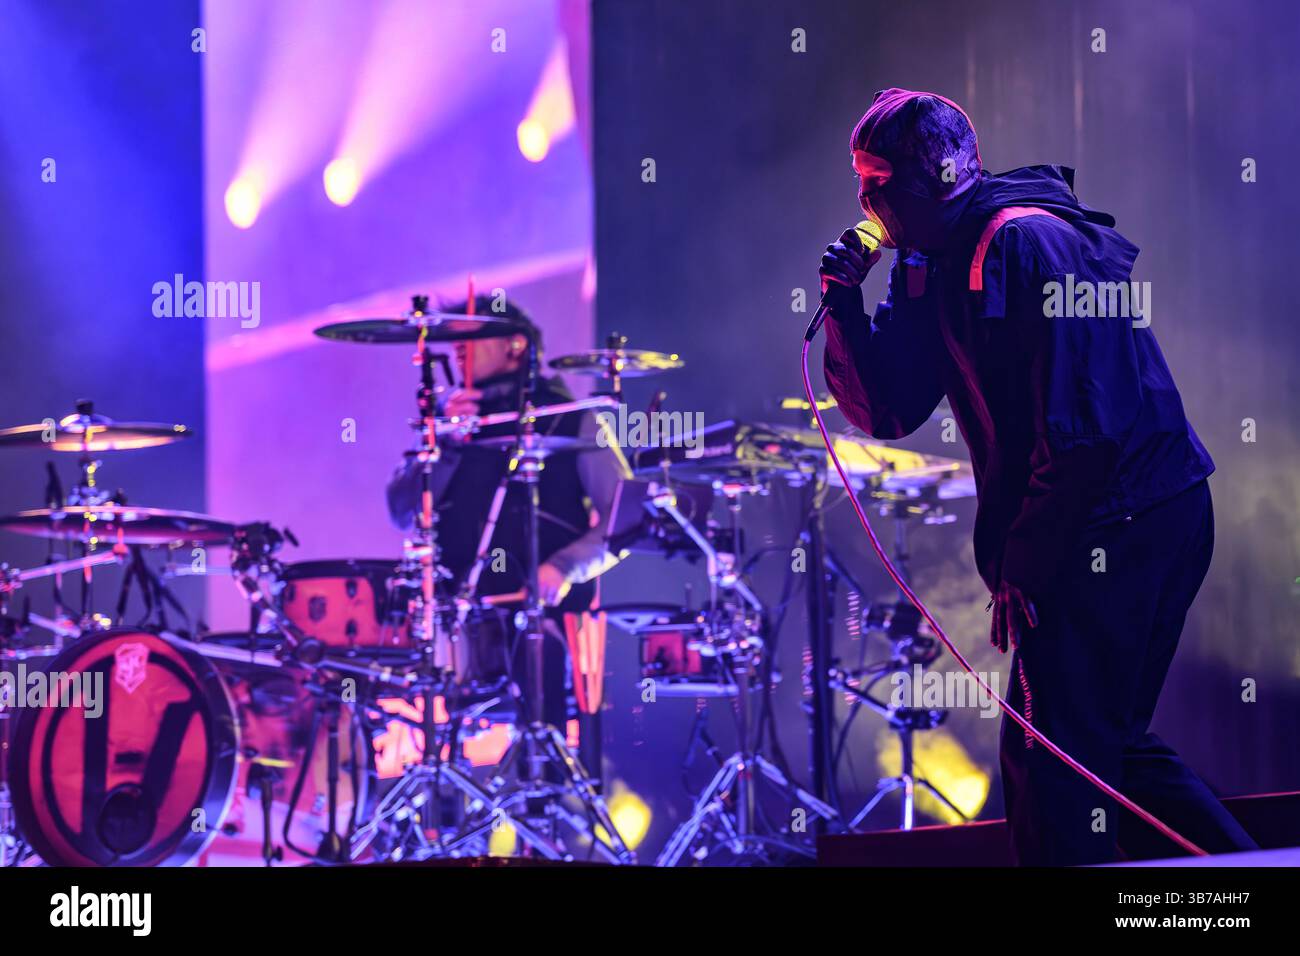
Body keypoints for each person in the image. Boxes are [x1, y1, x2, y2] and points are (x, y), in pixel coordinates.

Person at [818, 88, 1257, 865]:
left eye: (880, 182)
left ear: (941, 175)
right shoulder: (933, 258)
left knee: (1050, 762)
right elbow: (888, 408)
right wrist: (847, 308)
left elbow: (1084, 433)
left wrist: (1025, 568)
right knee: (1097, 747)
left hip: (1126, 518)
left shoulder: (1027, 242)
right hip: (1110, 515)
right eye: (861, 182)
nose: (867, 201)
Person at [386, 295, 630, 738]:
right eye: (454, 344)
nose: (459, 351)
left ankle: (550, 792)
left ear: (516, 345)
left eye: (474, 339)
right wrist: (446, 443)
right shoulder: (450, 425)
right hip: (458, 618)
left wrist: (564, 567)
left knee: (541, 690)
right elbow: (402, 513)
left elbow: (627, 518)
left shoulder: (572, 421)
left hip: (546, 618)